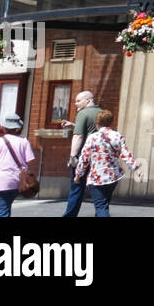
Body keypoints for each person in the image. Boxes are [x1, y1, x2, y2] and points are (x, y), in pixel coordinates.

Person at [73, 109, 143, 217]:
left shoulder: (92, 137)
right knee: (104, 204)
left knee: (101, 207)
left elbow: (84, 158)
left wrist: (78, 175)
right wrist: (135, 168)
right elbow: (125, 154)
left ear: (97, 123)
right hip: (113, 176)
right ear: (110, 122)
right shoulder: (117, 136)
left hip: (97, 177)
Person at [0, 114, 37, 217]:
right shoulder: (24, 141)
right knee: (5, 209)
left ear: (4, 128)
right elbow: (30, 161)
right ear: (17, 128)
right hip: (16, 183)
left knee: (2, 212)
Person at [61, 89, 101, 217]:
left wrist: (73, 156)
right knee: (98, 189)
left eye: (78, 101)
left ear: (88, 100)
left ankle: (69, 215)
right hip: (99, 157)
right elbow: (91, 130)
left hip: (84, 156)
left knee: (77, 188)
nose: (75, 104)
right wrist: (74, 125)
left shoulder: (83, 114)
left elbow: (78, 136)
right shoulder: (101, 112)